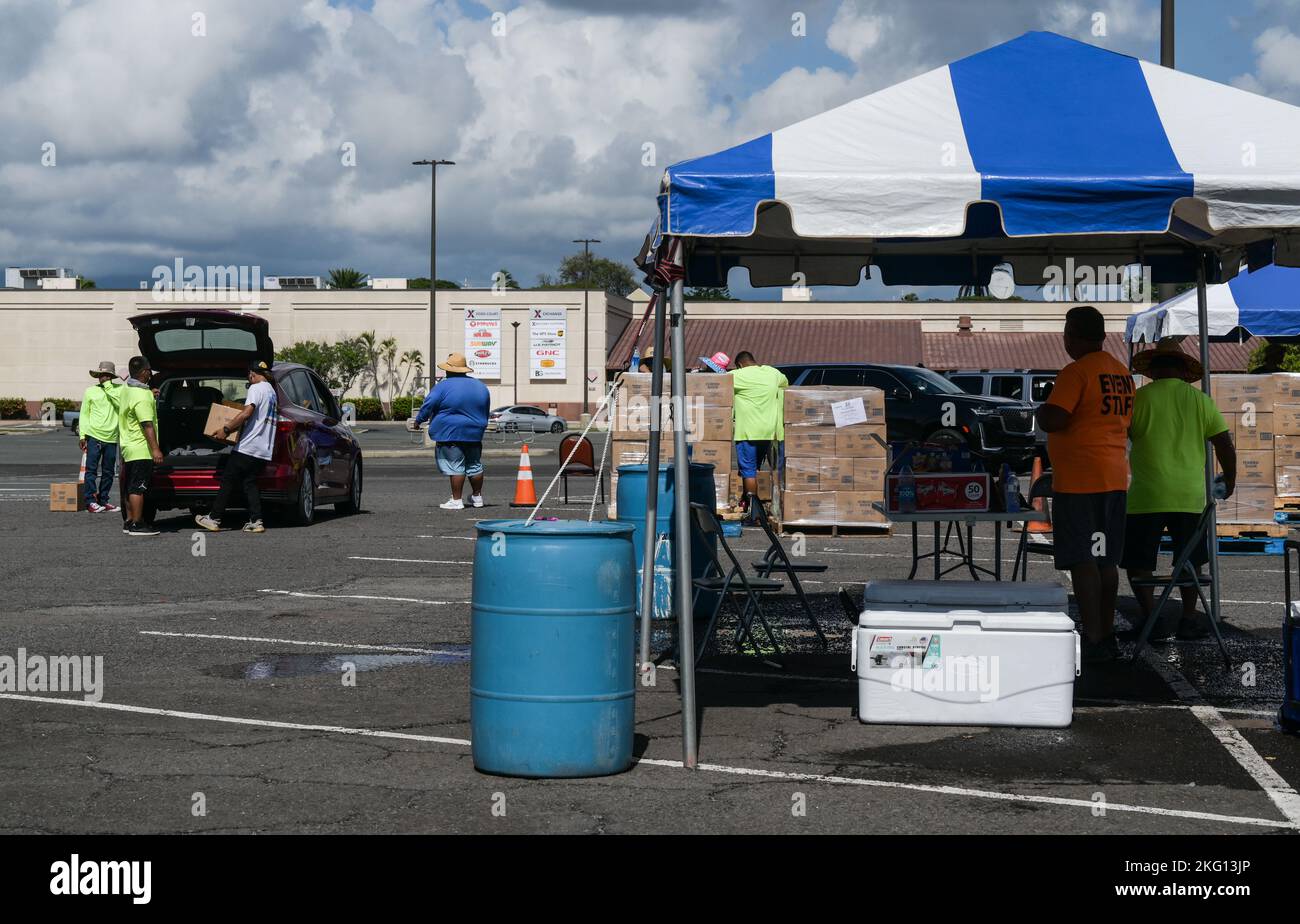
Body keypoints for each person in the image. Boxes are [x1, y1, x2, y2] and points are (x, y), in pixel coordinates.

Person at [1037, 306, 1135, 663]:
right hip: (1113, 476)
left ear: (1074, 335)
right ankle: (1105, 629)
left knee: (1082, 559)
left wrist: (1040, 409)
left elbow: (1056, 418)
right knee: (1106, 559)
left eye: (1066, 333)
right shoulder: (1121, 373)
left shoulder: (1075, 372)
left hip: (1080, 481)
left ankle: (1092, 633)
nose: (1064, 340)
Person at [1123, 339, 1236, 640]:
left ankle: (1151, 620)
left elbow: (1118, 435)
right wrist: (1231, 479)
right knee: (1190, 560)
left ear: (1154, 369)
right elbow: (1224, 442)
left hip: (1146, 496)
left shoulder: (1138, 399)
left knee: (1138, 561)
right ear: (1184, 371)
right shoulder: (1200, 401)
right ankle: (1187, 619)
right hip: (1189, 495)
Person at [195, 360, 279, 534]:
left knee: (227, 480)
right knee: (250, 483)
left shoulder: (256, 388)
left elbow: (247, 412)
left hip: (248, 447)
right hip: (263, 449)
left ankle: (214, 518)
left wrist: (226, 429)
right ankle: (256, 521)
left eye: (249, 375)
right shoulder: (272, 392)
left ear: (252, 374)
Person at [414, 352, 491, 510]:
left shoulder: (443, 386)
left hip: (450, 432)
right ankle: (477, 497)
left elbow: (429, 405)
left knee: (456, 466)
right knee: (474, 465)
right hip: (475, 433)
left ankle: (456, 500)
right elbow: (485, 409)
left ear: (449, 371)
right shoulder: (480, 386)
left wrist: (418, 420)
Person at [729, 351, 788, 523]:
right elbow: (785, 384)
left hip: (747, 431)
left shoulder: (736, 375)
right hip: (771, 431)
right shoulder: (773, 372)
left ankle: (754, 514)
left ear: (739, 364)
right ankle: (774, 509)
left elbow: (718, 386)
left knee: (749, 472)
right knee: (774, 472)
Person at [117, 355, 163, 537]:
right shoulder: (142, 396)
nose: (150, 373)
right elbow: (147, 425)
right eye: (149, 370)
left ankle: (129, 521)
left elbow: (135, 403)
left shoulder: (127, 389)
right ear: (144, 372)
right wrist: (155, 449)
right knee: (139, 487)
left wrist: (149, 393)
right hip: (140, 448)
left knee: (130, 486)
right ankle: (137, 523)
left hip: (128, 447)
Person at [78, 360, 123, 513]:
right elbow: (84, 414)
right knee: (91, 470)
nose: (102, 378)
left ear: (111, 376)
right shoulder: (90, 391)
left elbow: (120, 404)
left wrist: (109, 387)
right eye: (101, 375)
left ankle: (103, 499)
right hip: (94, 435)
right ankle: (90, 501)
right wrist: (82, 436)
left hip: (111, 437)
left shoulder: (119, 390)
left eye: (106, 375)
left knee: (109, 471)